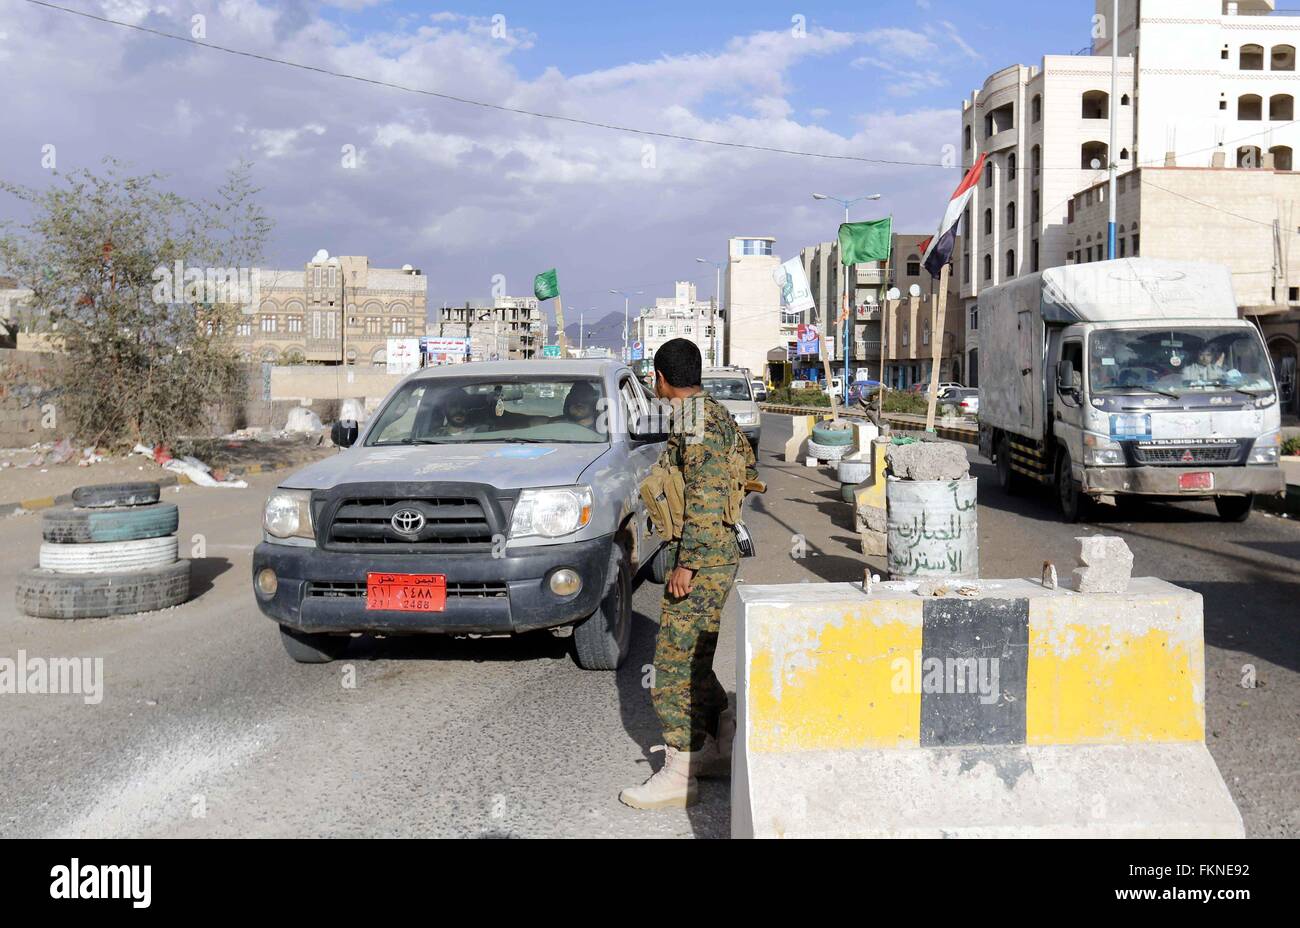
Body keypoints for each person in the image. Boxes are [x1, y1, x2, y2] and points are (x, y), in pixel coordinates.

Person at [619, 338, 757, 810]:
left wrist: (687, 563)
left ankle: (681, 770)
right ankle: (718, 742)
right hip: (715, 553)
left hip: (704, 558)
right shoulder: (711, 413)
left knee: (673, 668)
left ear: (660, 379)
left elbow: (705, 495)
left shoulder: (697, 423)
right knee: (695, 653)